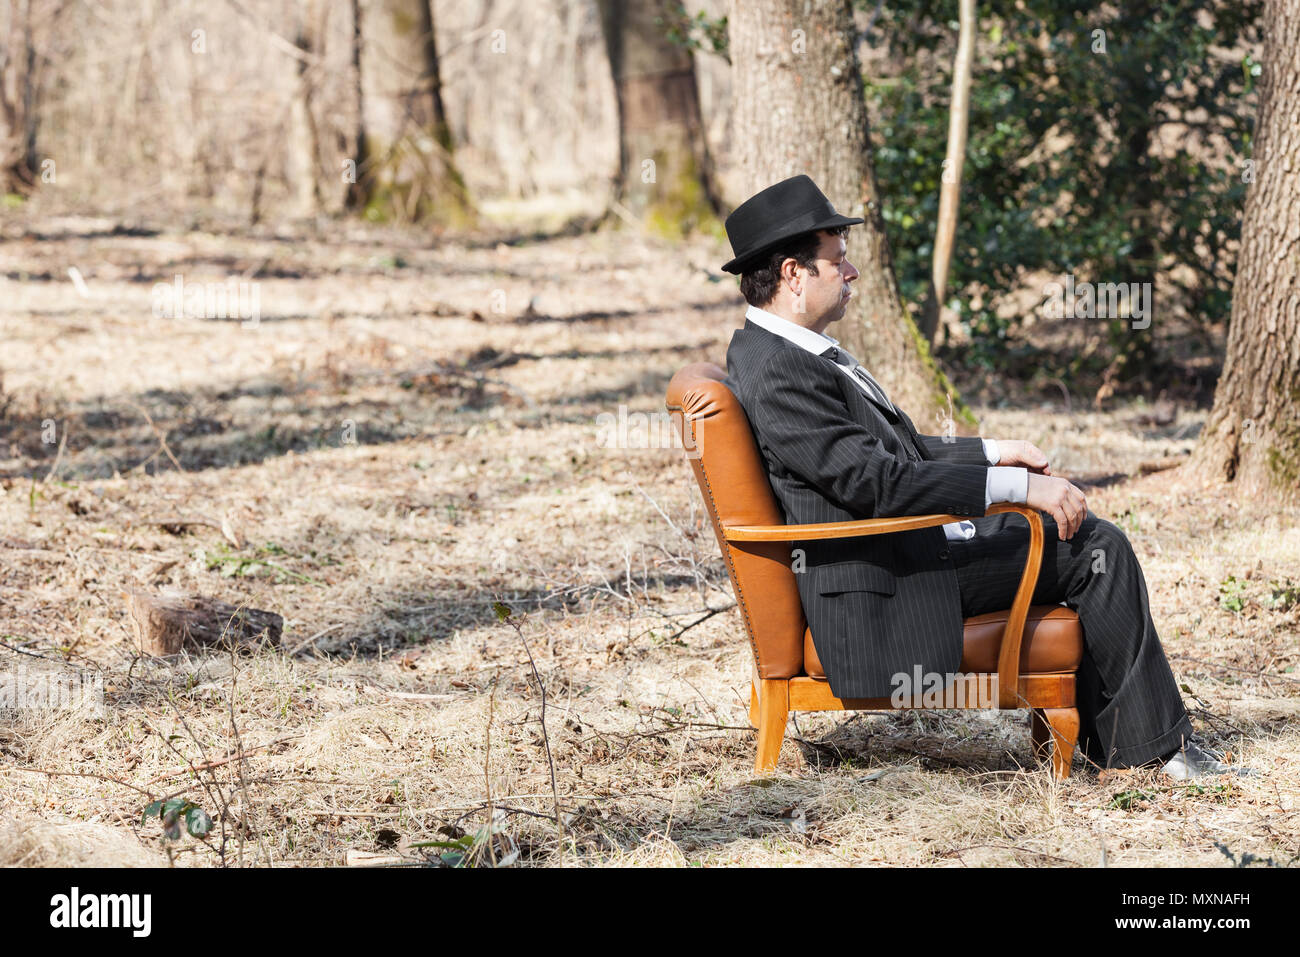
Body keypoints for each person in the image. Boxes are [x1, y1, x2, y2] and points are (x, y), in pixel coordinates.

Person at [721, 174, 1244, 779]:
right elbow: (878, 485)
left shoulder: (791, 352)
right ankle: (1157, 755)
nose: (853, 273)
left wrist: (998, 453)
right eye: (838, 261)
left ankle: (1129, 744)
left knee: (1086, 539)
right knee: (1096, 547)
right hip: (883, 584)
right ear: (793, 274)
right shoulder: (783, 370)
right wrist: (1020, 492)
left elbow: (900, 453)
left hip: (898, 551)